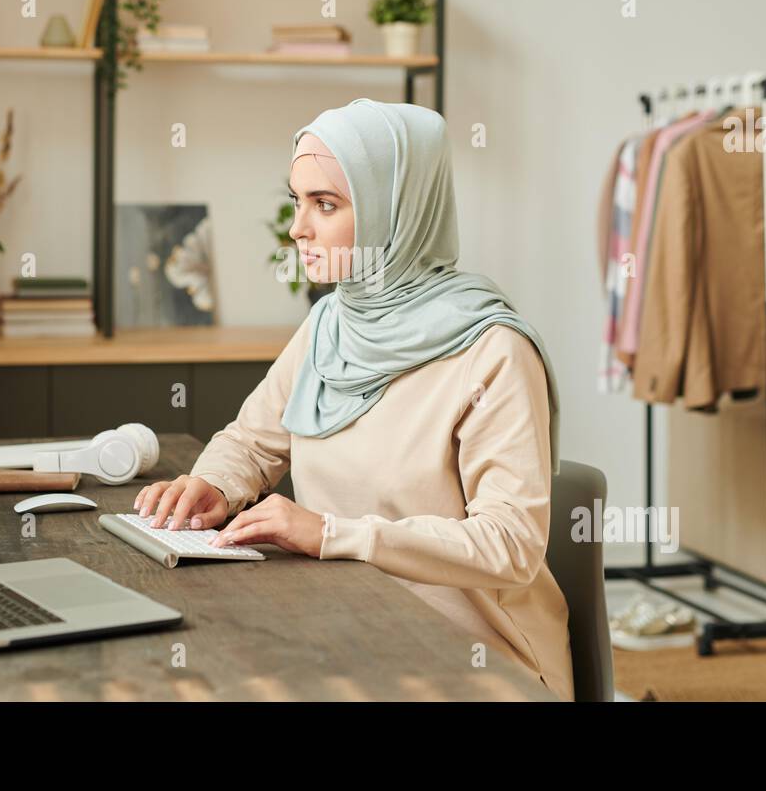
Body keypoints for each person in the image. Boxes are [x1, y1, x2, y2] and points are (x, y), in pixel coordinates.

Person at [133, 98, 573, 700]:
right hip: (346, 626)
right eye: (297, 200)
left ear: (397, 212)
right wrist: (212, 483)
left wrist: (332, 533)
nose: (298, 229)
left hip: (476, 659)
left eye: (326, 204)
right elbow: (253, 440)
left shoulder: (492, 350)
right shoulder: (331, 325)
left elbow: (511, 545)